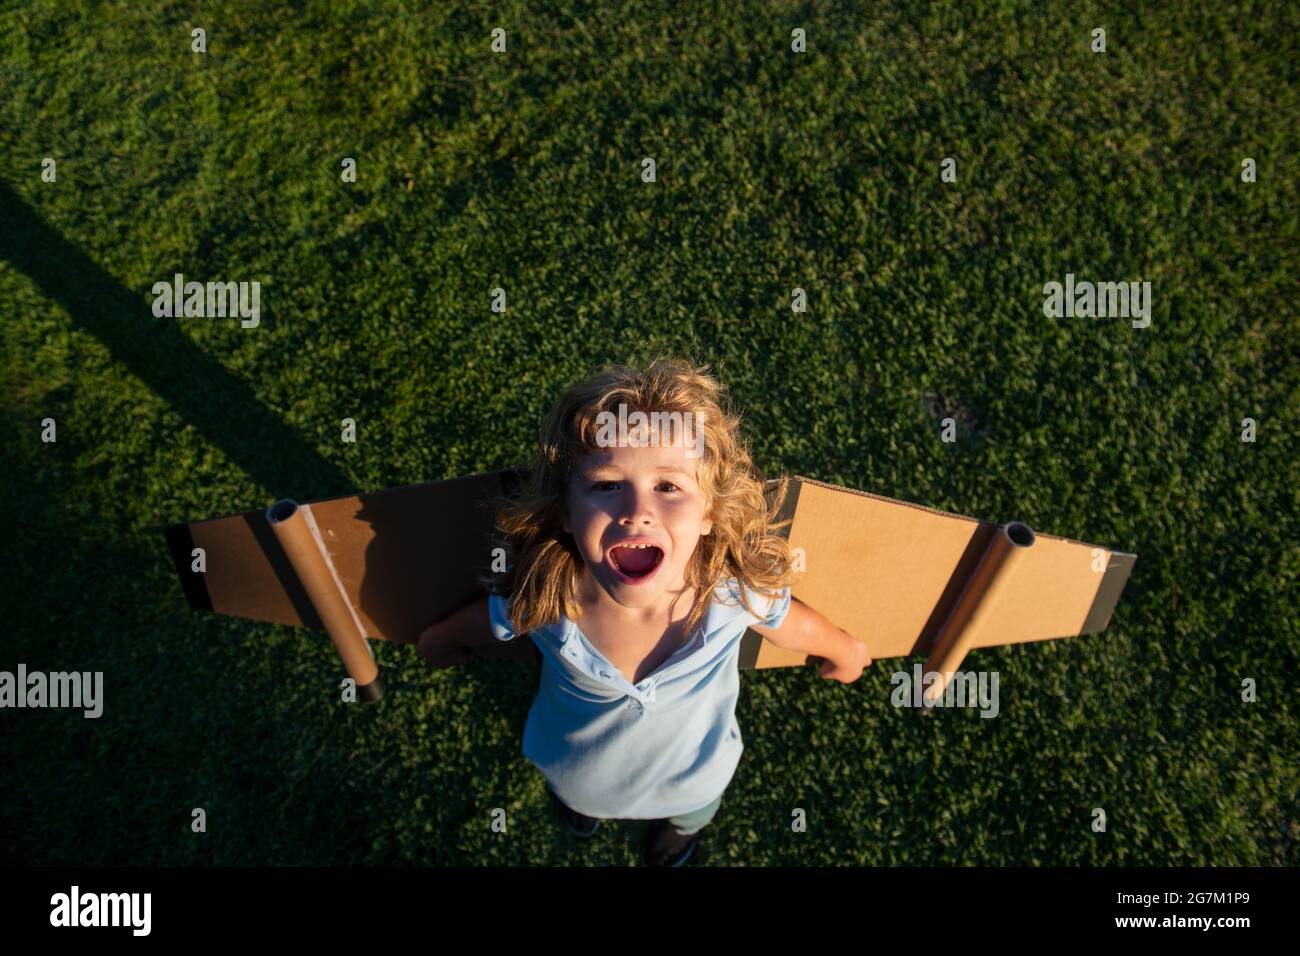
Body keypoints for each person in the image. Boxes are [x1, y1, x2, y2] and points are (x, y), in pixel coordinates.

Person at [417, 356, 871, 865]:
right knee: (581, 799)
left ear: (710, 512)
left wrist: (844, 650)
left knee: (693, 812)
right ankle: (584, 812)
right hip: (577, 775)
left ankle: (676, 834)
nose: (637, 510)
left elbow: (789, 622)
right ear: (564, 511)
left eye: (669, 486)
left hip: (693, 780)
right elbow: (488, 618)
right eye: (607, 484)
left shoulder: (730, 594)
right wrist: (441, 639)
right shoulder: (549, 597)